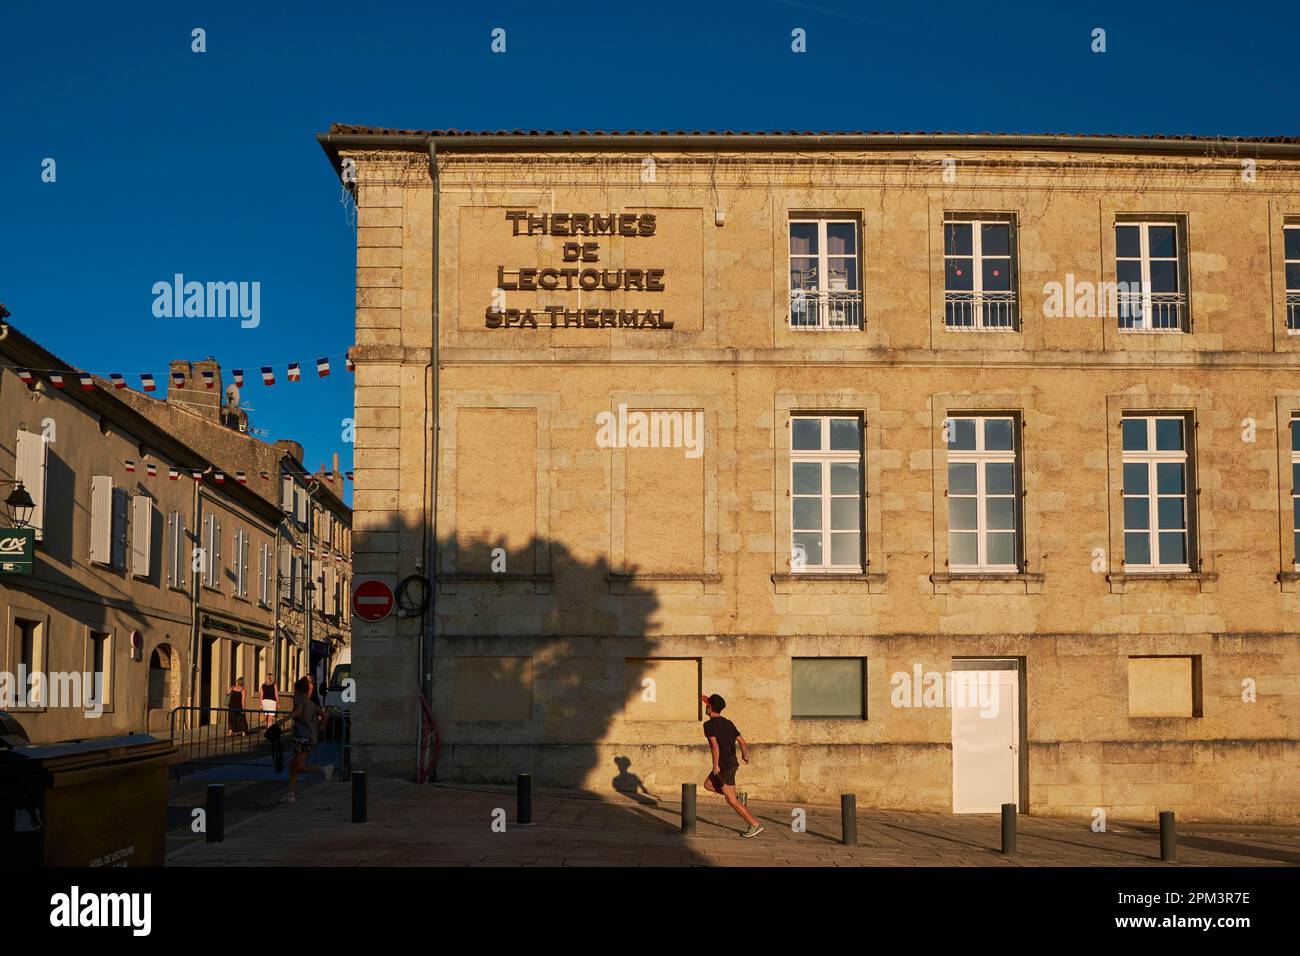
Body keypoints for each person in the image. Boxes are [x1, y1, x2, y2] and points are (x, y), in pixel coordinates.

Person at [700, 693, 763, 838]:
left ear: (710, 708)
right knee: (708, 784)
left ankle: (754, 825)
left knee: (731, 800)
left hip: (724, 765)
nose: (705, 708)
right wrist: (745, 754)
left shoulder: (708, 725)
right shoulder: (728, 722)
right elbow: (742, 741)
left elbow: (715, 747)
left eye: (707, 706)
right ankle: (734, 795)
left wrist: (715, 765)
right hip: (731, 763)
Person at [283, 676, 333, 803]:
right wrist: (318, 728)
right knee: (293, 766)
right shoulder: (313, 704)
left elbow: (298, 711)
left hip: (302, 738)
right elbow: (326, 716)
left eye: (295, 690)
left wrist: (283, 720)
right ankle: (290, 794)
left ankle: (323, 769)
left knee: (298, 766)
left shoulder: (299, 700)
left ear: (298, 690)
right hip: (310, 737)